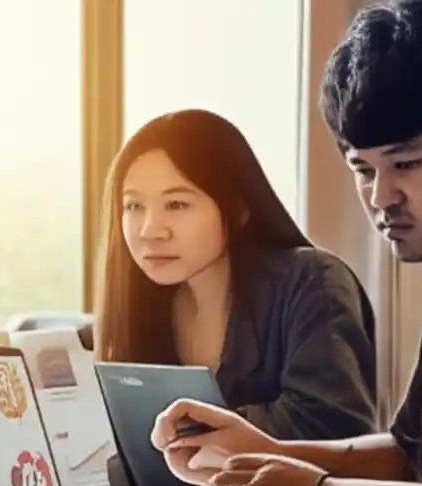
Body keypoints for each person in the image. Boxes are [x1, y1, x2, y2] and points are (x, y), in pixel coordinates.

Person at [149, 0, 422, 486]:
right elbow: (409, 456)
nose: (381, 196)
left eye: (408, 163)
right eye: (363, 169)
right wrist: (266, 451)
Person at [96, 109, 377, 441]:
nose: (150, 231)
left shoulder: (312, 280)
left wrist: (189, 434)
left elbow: (332, 425)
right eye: (134, 207)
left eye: (177, 205)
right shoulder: (141, 303)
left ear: (239, 208)